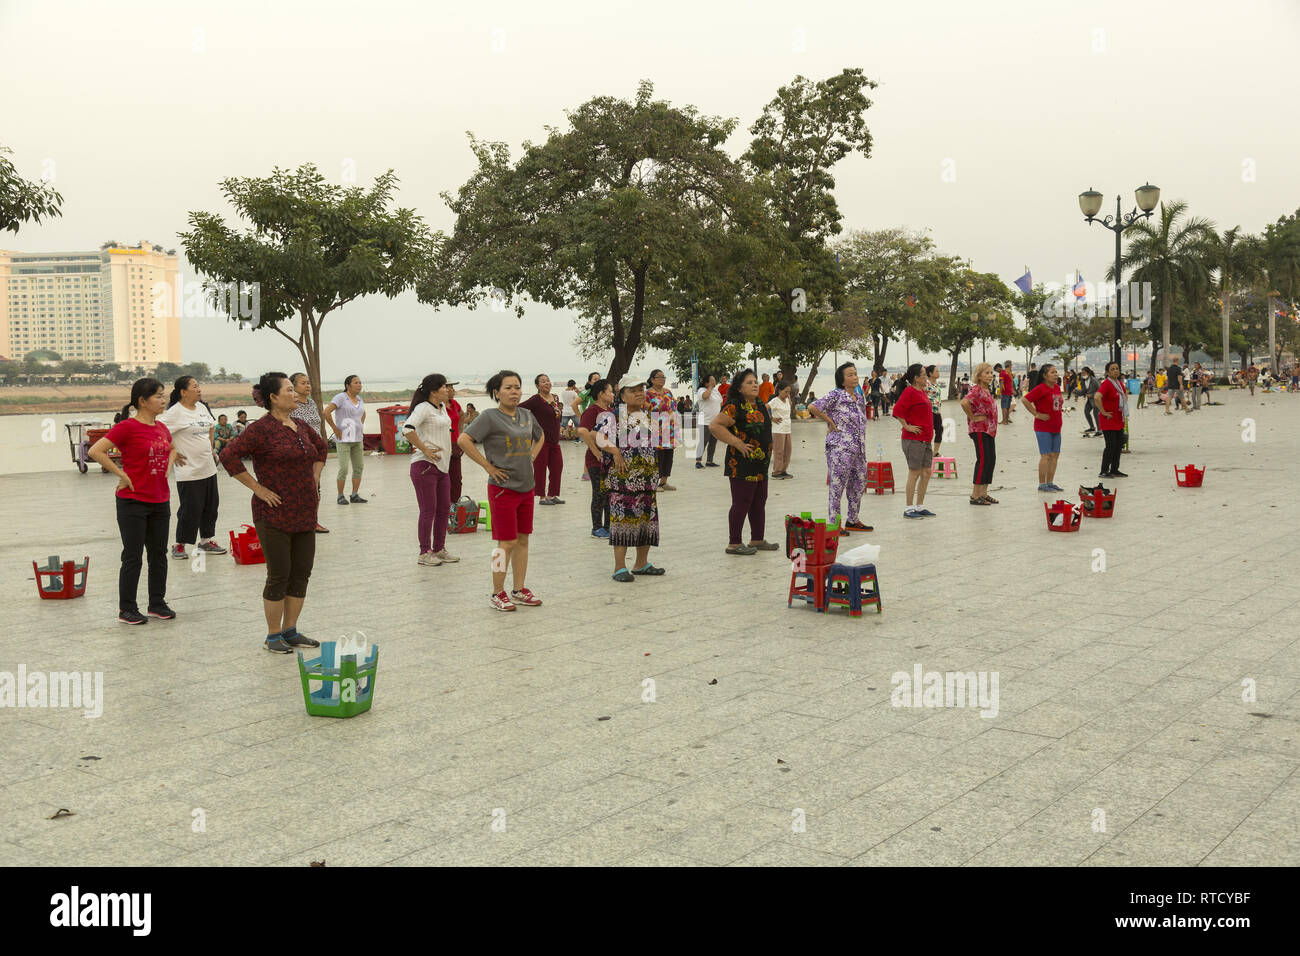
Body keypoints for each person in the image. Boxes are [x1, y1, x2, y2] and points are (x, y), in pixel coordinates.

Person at [219, 372, 327, 653]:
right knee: (279, 573)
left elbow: (322, 449)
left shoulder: (301, 424)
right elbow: (228, 456)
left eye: (295, 389)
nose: (295, 394)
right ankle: (273, 635)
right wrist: (257, 488)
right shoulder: (261, 429)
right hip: (273, 512)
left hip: (305, 510)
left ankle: (291, 630)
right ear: (273, 397)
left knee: (301, 572)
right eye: (289, 390)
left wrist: (314, 478)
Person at [89, 378, 179, 625]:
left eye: (164, 395)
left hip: (161, 500)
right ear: (142, 400)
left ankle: (157, 603)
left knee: (159, 555)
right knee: (133, 556)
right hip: (133, 502)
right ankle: (126, 609)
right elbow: (95, 451)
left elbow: (172, 448)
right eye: (159, 396)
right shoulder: (127, 427)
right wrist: (121, 474)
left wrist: (168, 467)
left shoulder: (161, 428)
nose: (164, 400)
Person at [458, 370, 545, 611]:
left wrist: (531, 458)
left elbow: (540, 436)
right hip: (502, 489)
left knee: (523, 540)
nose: (514, 391)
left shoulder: (527, 415)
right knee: (505, 543)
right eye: (508, 387)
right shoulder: (489, 417)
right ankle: (497, 592)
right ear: (497, 392)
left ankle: (519, 589)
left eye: (517, 387)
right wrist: (488, 466)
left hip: (527, 487)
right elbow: (463, 440)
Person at [595, 377, 664, 580]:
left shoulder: (648, 415)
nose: (639, 393)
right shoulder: (615, 416)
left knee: (647, 521)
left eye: (641, 389)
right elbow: (597, 437)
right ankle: (619, 567)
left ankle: (641, 563)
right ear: (622, 395)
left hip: (647, 479)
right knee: (622, 522)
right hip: (623, 480)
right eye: (633, 390)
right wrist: (615, 451)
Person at [710, 369, 779, 554]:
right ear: (739, 388)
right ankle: (734, 543)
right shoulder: (734, 405)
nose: (755, 385)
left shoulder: (760, 404)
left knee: (759, 501)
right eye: (749, 382)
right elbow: (714, 426)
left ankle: (757, 539)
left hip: (761, 463)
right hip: (741, 462)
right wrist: (737, 442)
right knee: (742, 501)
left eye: (755, 381)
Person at [159, 376, 226, 560]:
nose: (199, 389)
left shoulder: (202, 407)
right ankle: (179, 545)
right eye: (195, 387)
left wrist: (211, 449)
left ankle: (205, 541)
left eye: (199, 386)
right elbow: (159, 434)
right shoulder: (175, 412)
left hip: (208, 468)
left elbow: (211, 427)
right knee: (190, 510)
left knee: (211, 507)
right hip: (189, 471)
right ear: (183, 392)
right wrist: (171, 453)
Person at [808, 362, 872, 532]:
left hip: (858, 449)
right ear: (842, 380)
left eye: (855, 373)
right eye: (850, 374)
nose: (855, 377)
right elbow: (812, 406)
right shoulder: (836, 395)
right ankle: (834, 523)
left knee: (859, 482)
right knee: (837, 486)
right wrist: (829, 420)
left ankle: (853, 519)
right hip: (840, 448)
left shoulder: (858, 398)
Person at [403, 373, 459, 567]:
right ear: (433, 391)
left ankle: (439, 549)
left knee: (444, 509)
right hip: (425, 466)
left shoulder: (442, 407)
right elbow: (407, 428)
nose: (448, 389)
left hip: (443, 467)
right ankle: (424, 552)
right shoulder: (423, 408)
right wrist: (424, 448)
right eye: (444, 386)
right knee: (428, 510)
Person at [891, 364, 936, 518]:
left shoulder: (922, 392)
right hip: (913, 440)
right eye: (924, 375)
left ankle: (920, 505)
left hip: (925, 439)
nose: (926, 377)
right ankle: (908, 508)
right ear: (916, 378)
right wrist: (907, 426)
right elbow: (897, 410)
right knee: (914, 472)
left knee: (926, 472)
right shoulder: (909, 391)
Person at [289, 372, 329, 534]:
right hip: (298, 453)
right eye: (303, 383)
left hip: (315, 453)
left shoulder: (312, 403)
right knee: (297, 489)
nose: (307, 386)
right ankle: (295, 522)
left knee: (315, 487)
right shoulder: (291, 403)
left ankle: (313, 521)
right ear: (294, 387)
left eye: (308, 383)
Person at [577, 378, 615, 538]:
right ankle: (597, 527)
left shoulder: (611, 411)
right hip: (596, 461)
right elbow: (582, 431)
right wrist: (595, 451)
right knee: (599, 493)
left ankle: (608, 526)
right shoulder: (592, 411)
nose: (613, 394)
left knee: (610, 494)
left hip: (610, 459)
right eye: (610, 391)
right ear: (601, 394)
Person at [520, 374, 565, 505]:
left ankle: (552, 495)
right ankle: (541, 497)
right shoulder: (536, 399)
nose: (547, 383)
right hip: (541, 441)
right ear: (537, 385)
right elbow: (519, 408)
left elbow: (557, 415)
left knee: (557, 467)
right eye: (543, 381)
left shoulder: (555, 398)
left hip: (555, 440)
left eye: (548, 380)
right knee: (540, 469)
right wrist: (528, 425)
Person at [959, 362, 998, 505]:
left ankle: (984, 493)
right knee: (983, 460)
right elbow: (964, 403)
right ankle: (975, 495)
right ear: (979, 376)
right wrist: (973, 417)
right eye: (986, 373)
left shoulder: (987, 390)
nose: (990, 375)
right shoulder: (976, 390)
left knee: (991, 459)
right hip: (979, 429)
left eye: (991, 373)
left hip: (989, 430)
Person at [1022, 364, 1065, 492]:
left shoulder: (1057, 387)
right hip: (1043, 427)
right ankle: (1042, 484)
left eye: (1056, 372)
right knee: (1045, 455)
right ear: (1045, 376)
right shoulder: (1040, 388)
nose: (1056, 374)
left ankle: (1050, 482)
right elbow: (1025, 400)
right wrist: (1036, 414)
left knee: (1055, 455)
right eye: (1052, 372)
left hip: (1056, 426)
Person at [324, 374, 367, 503]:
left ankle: (354, 495)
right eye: (356, 383)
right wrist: (335, 428)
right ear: (347, 385)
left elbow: (363, 413)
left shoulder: (359, 399)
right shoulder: (341, 397)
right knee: (344, 469)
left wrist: (359, 425)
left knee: (359, 467)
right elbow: (326, 412)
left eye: (360, 382)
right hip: (343, 440)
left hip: (357, 439)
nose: (359, 385)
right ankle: (340, 496)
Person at [645, 369, 680, 491]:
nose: (662, 379)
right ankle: (654, 483)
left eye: (663, 377)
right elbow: (647, 409)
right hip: (655, 427)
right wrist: (657, 408)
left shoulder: (668, 392)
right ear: (652, 379)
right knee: (657, 455)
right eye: (659, 377)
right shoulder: (648, 393)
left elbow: (674, 406)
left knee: (668, 455)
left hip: (669, 427)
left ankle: (664, 482)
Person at [1095, 360, 1129, 478]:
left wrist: (1124, 412)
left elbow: (1125, 397)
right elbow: (1097, 397)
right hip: (1108, 419)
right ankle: (1104, 470)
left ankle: (1115, 469)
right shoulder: (1107, 384)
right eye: (1112, 369)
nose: (1116, 371)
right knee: (1111, 445)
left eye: (1117, 368)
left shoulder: (1119, 383)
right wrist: (1103, 411)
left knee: (1119, 445)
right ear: (1107, 372)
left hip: (1118, 419)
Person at [695, 374, 722, 468]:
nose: (714, 382)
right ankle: (698, 461)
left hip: (716, 422)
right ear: (706, 383)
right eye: (712, 380)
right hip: (705, 421)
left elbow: (720, 403)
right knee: (703, 441)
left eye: (714, 380)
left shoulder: (716, 391)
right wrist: (710, 388)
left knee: (713, 442)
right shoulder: (701, 390)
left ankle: (709, 461)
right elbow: (705, 396)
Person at [768, 381, 794, 479]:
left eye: (789, 392)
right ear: (779, 391)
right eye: (785, 392)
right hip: (778, 430)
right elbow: (765, 408)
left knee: (788, 451)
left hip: (787, 429)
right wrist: (772, 418)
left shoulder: (787, 400)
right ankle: (776, 471)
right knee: (779, 452)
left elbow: (790, 407)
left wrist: (789, 397)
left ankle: (783, 470)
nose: (787, 394)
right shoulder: (775, 400)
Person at [446, 382, 465, 503]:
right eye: (450, 387)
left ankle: (454, 506)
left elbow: (462, 415)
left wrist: (460, 433)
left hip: (455, 446)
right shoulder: (436, 406)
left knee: (456, 479)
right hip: (442, 447)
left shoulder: (454, 403)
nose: (453, 390)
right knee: (443, 479)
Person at [925, 365, 944, 455]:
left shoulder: (936, 384)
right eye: (936, 371)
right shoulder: (926, 384)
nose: (938, 373)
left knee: (939, 430)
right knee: (928, 432)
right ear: (930, 373)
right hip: (929, 411)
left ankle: (935, 452)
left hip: (937, 411)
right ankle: (926, 451)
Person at [1078, 368, 1099, 435]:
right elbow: (1083, 391)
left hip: (1096, 400)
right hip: (1089, 401)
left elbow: (1100, 391)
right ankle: (1092, 427)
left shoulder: (1094, 380)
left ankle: (1100, 430)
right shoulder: (1083, 380)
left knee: (1096, 414)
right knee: (1086, 412)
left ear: (1088, 373)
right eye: (1082, 373)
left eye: (1084, 373)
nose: (1082, 374)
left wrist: (1092, 395)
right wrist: (1076, 391)